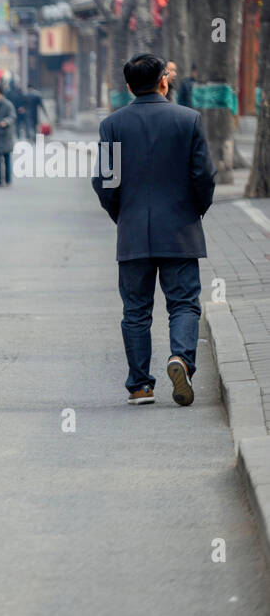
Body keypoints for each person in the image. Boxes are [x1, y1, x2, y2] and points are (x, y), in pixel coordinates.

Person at [93, 53, 216, 406]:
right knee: (183, 305)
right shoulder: (188, 120)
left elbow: (106, 182)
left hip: (133, 232)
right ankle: (181, 360)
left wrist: (123, 214)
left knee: (135, 311)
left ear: (129, 86)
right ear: (164, 81)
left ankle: (141, 386)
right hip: (180, 230)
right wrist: (195, 211)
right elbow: (204, 176)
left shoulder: (112, 125)